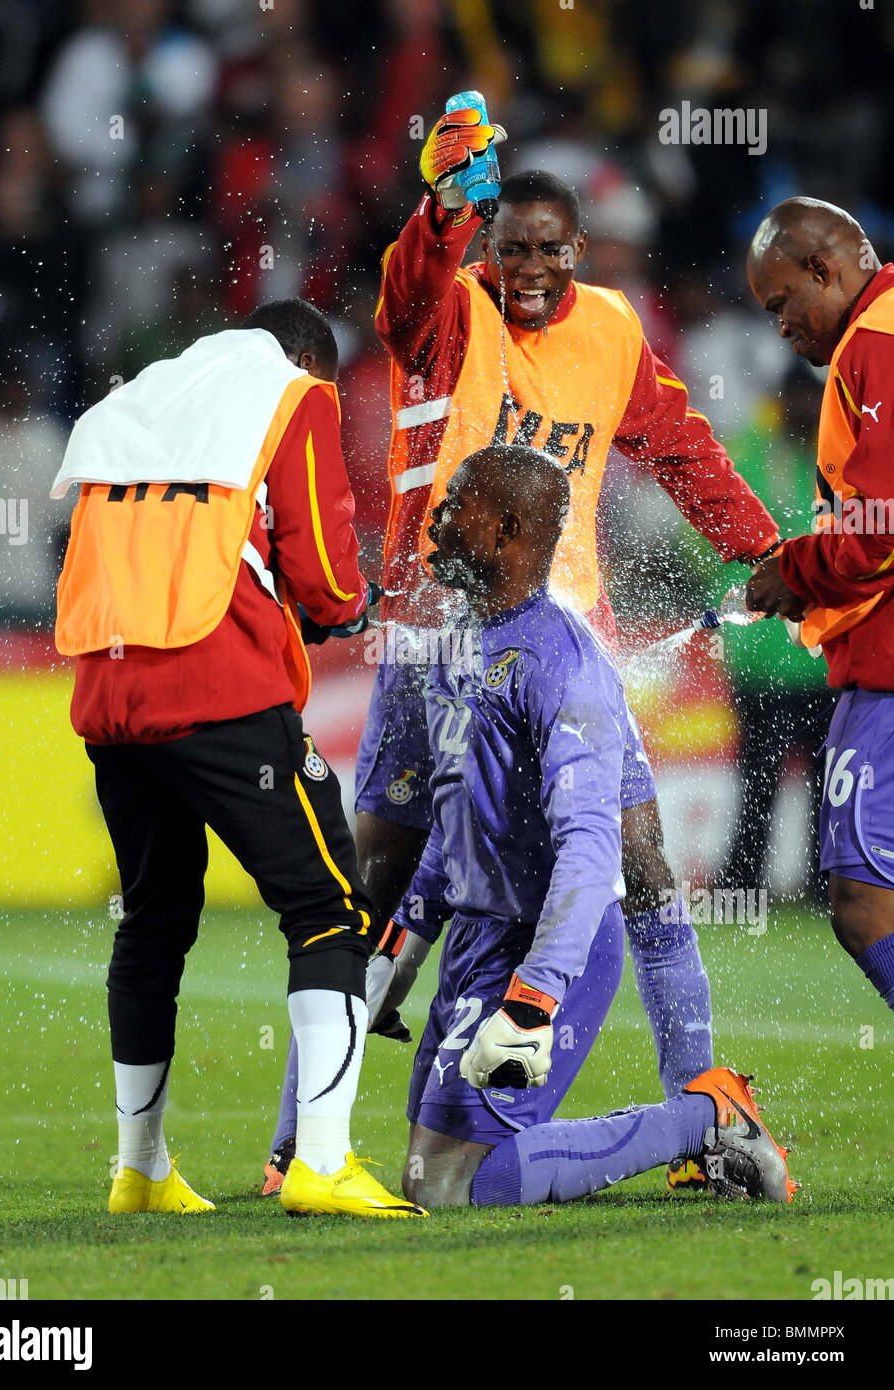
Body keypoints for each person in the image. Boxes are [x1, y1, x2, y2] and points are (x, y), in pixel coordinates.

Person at [263, 106, 782, 1191]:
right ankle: (293, 1146)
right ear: (489, 249)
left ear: (578, 251)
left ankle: (699, 1103)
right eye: (514, 249)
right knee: (375, 881)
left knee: (640, 873)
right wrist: (443, 206)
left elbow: (680, 449)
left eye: (551, 250)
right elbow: (404, 293)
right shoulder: (450, 311)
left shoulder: (609, 331)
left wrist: (762, 551)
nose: (532, 270)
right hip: (431, 645)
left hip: (561, 644)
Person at [51, 297, 425, 1220]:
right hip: (216, 688)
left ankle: (139, 1168)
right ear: (309, 362)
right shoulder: (293, 395)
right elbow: (324, 571)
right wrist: (348, 604)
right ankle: (324, 1163)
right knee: (330, 910)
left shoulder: (138, 395)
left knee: (153, 921)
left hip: (107, 693)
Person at [375, 443, 795, 1208]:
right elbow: (453, 819)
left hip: (544, 944)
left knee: (447, 1186)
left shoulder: (561, 661)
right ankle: (697, 1117)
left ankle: (705, 1114)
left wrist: (535, 994)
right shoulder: (453, 647)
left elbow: (589, 847)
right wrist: (403, 943)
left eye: (456, 503)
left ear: (504, 530)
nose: (436, 517)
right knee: (421, 1176)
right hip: (475, 936)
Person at [745, 197, 894, 1028]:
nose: (778, 328)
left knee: (863, 904)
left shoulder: (877, 342)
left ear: (822, 271)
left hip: (890, 671)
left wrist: (795, 571)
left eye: (780, 304)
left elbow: (878, 523)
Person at [718, 365, 836, 900]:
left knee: (825, 786)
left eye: (809, 401)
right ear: (779, 402)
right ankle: (746, 885)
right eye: (793, 399)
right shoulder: (744, 455)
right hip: (765, 659)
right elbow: (709, 544)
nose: (801, 409)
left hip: (821, 657)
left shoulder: (835, 460)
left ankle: (821, 884)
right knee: (760, 779)